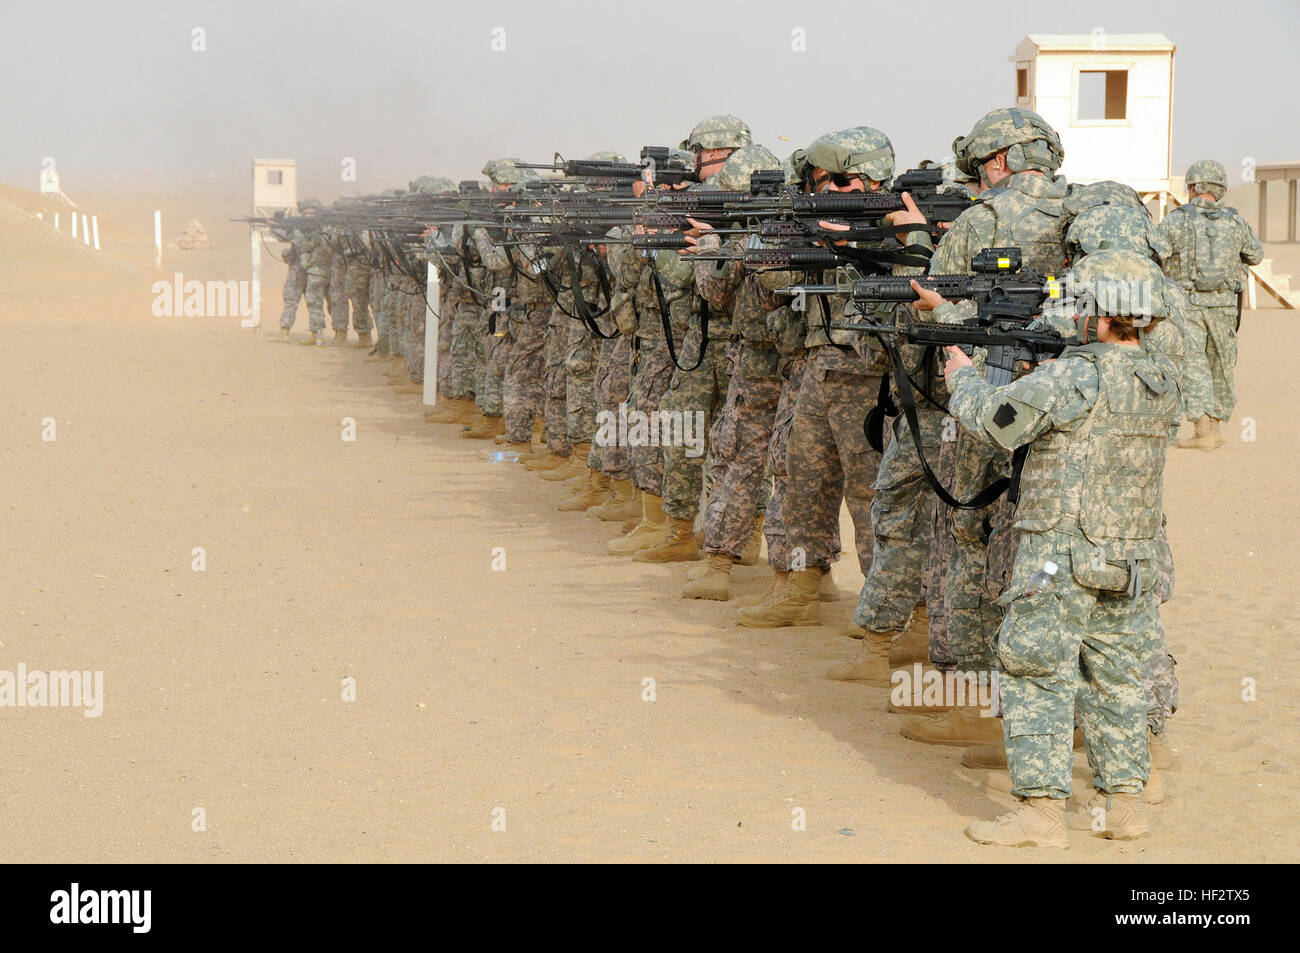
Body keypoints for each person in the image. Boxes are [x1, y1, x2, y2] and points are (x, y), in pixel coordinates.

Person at [950, 250, 1181, 847]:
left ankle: (1042, 813)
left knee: (1036, 668)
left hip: (1059, 555)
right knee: (1116, 677)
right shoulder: (1163, 379)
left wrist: (963, 376)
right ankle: (1122, 805)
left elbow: (996, 422)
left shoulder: (1074, 377)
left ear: (1100, 314)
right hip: (1130, 556)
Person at [883, 107, 1069, 743]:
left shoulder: (982, 219)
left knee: (968, 533)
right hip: (1070, 402)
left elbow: (931, 302)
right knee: (1055, 550)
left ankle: (974, 706)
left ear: (1000, 160)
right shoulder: (1084, 214)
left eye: (981, 166)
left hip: (989, 396)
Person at [735, 127, 897, 633]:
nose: (824, 189)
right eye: (820, 181)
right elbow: (774, 278)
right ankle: (802, 588)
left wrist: (853, 242)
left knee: (871, 496)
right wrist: (794, 233)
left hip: (868, 376)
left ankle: (885, 612)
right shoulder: (820, 222)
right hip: (819, 367)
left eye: (835, 180)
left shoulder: (899, 227)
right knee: (804, 483)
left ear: (867, 179)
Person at [1158, 159, 1264, 450]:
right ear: (1220, 188)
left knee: (1193, 365)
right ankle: (1214, 428)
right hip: (1225, 306)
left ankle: (1202, 430)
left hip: (1188, 305)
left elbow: (1156, 253)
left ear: (1193, 186)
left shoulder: (1176, 220)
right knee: (1221, 364)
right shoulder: (1236, 221)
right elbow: (1255, 255)